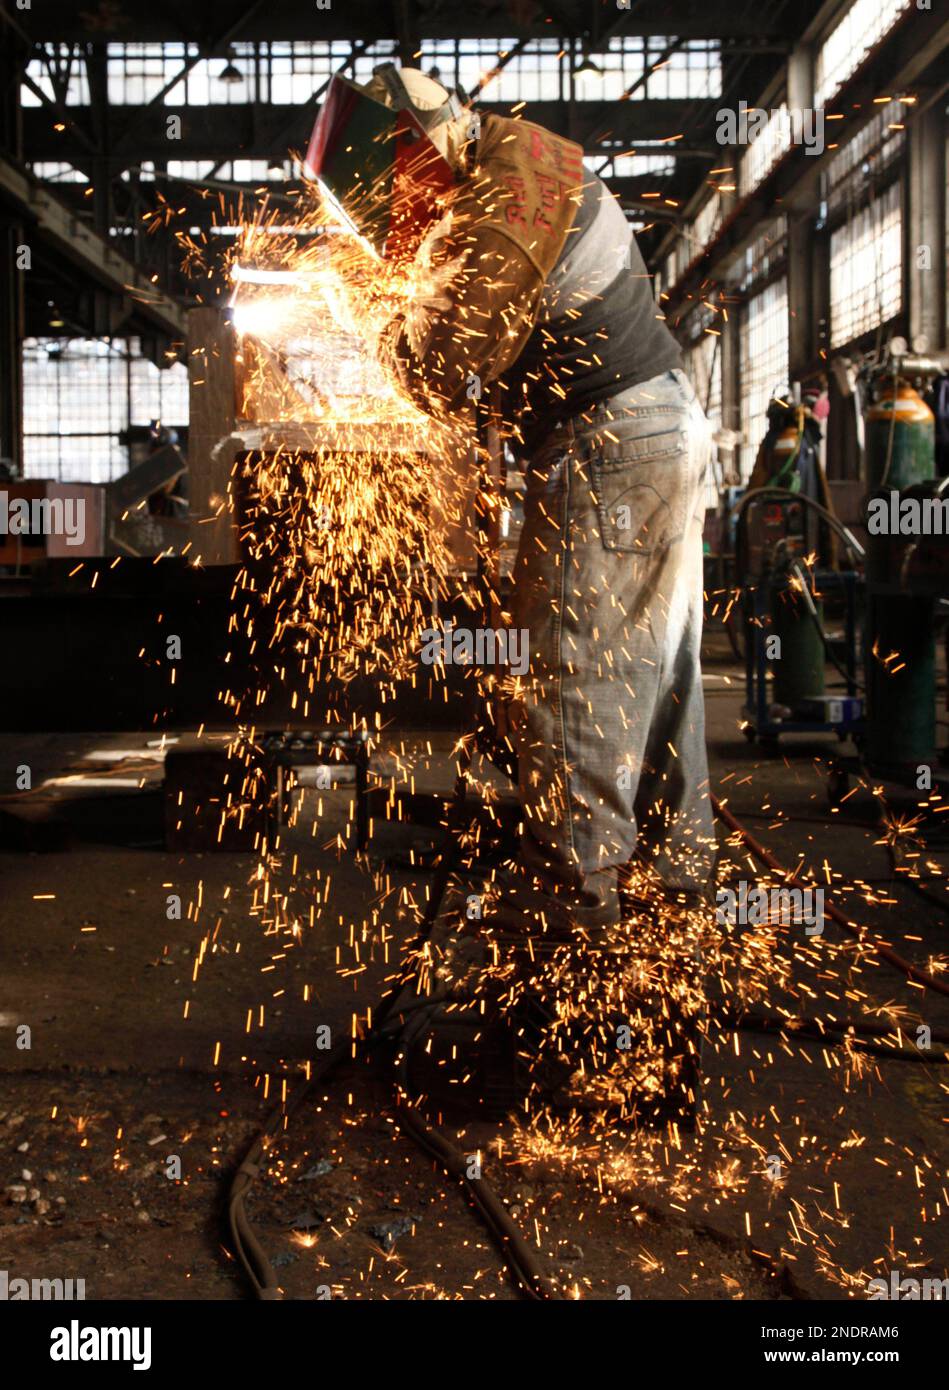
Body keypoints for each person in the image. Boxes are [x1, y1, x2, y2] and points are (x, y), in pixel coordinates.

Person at [307, 65, 716, 1114]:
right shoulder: (513, 159)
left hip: (611, 448)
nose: (397, 226)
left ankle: (583, 1032)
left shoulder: (496, 205)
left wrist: (367, 317)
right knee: (657, 717)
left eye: (391, 204)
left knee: (572, 719)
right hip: (645, 430)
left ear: (417, 154)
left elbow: (439, 369)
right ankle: (665, 1001)